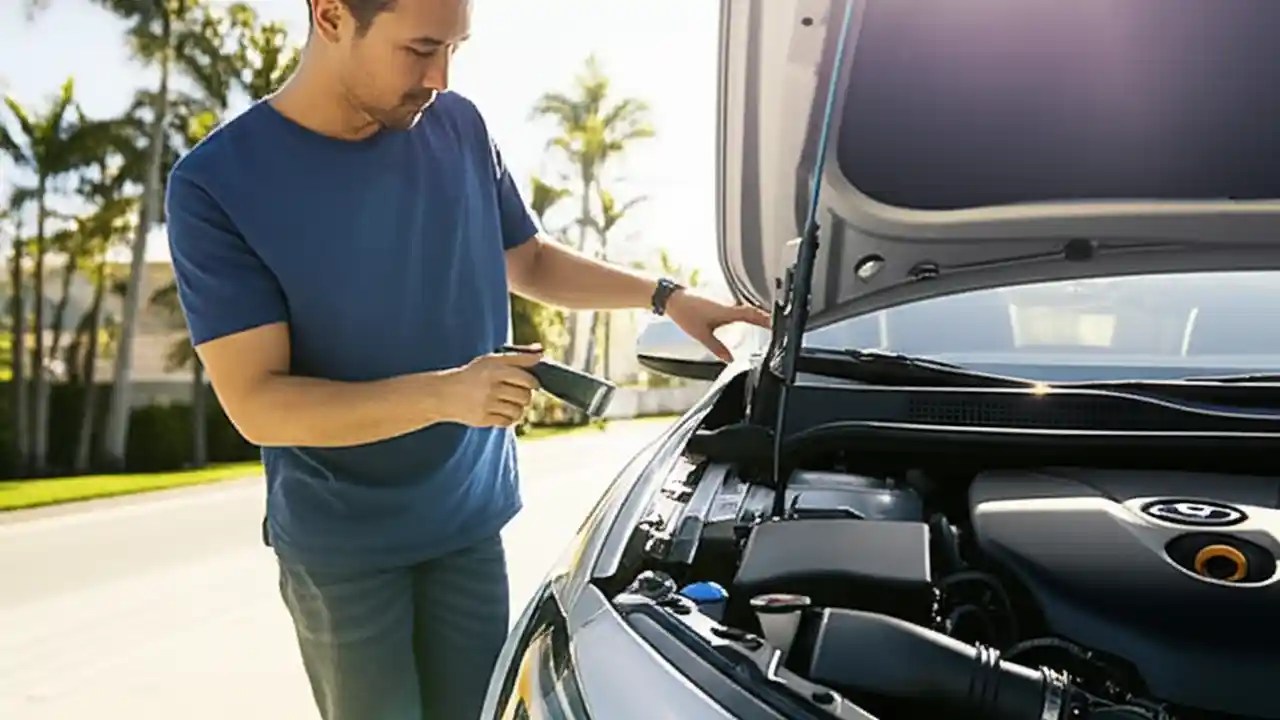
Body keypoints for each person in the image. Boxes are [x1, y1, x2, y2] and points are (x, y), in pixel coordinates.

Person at [163, 0, 769, 717]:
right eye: (421, 48)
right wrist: (446, 396)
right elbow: (258, 403)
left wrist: (666, 296)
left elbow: (530, 259)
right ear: (329, 16)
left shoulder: (457, 125)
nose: (441, 77)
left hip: (467, 520)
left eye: (456, 47)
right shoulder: (214, 186)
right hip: (344, 546)